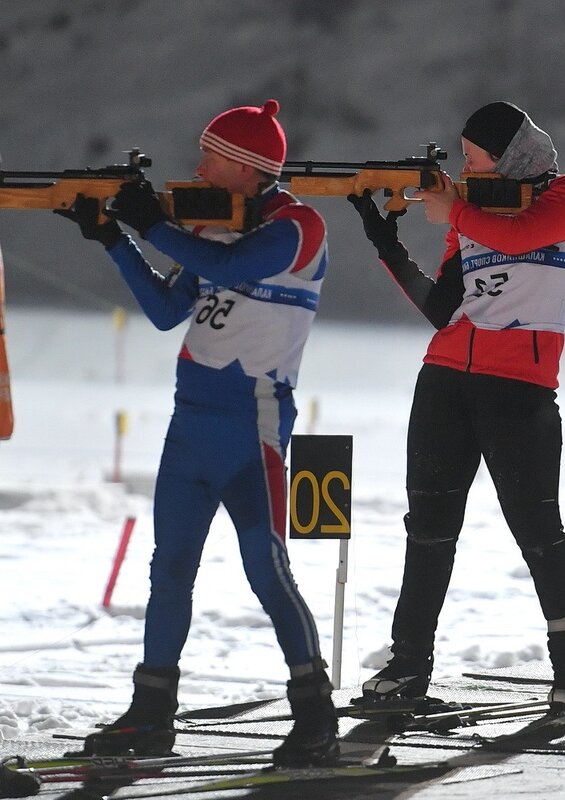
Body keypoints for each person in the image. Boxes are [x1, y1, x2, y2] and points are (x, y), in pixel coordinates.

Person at [56, 100, 338, 766]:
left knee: (266, 572)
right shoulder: (213, 226)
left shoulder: (301, 226)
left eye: (210, 156)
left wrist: (152, 222)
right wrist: (113, 237)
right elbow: (164, 311)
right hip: (191, 426)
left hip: (254, 427)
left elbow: (239, 268)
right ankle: (152, 714)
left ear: (244, 167)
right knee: (169, 572)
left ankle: (316, 715)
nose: (199, 167)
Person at [346, 101, 565, 712]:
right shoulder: (474, 214)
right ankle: (407, 665)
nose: (463, 167)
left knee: (538, 532)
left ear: (507, 154)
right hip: (444, 381)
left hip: (520, 387)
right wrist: (386, 241)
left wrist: (455, 207)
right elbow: (441, 307)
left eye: (472, 155)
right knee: (427, 532)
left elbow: (520, 234)